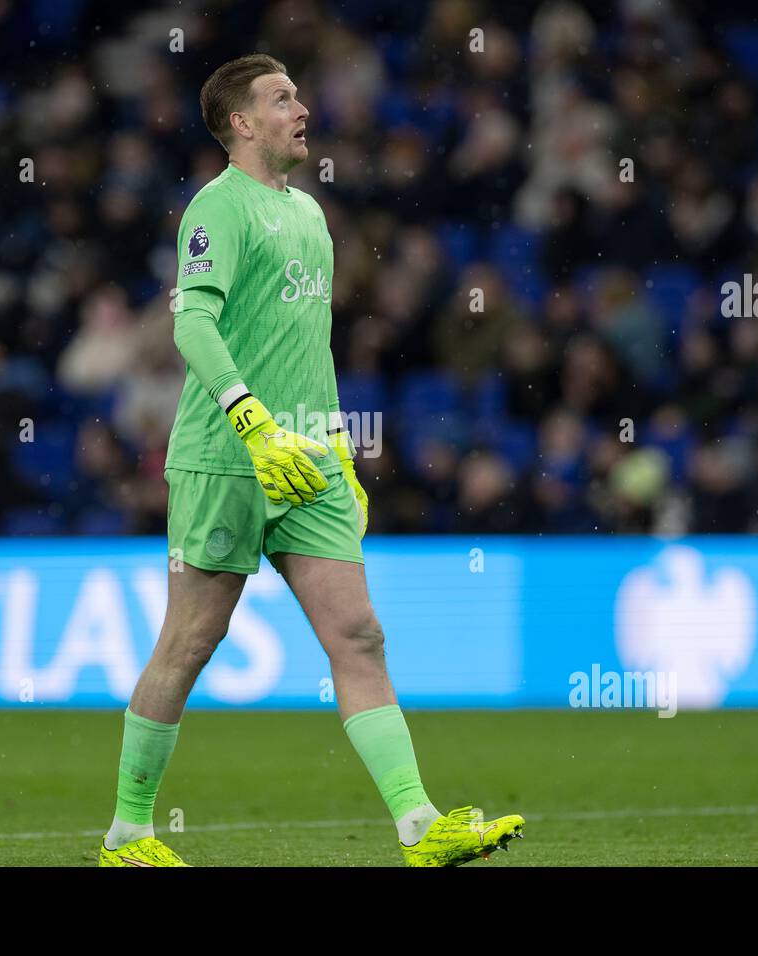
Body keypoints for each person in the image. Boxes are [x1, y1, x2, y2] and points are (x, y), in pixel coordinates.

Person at [97, 54, 523, 867]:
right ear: (239, 124)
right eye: (281, 98)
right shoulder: (214, 211)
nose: (302, 107)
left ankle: (418, 827)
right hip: (225, 457)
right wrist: (250, 419)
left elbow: (310, 348)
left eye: (298, 93)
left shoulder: (311, 217)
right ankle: (129, 831)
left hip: (307, 463)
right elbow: (192, 325)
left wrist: (336, 449)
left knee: (358, 634)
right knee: (189, 643)